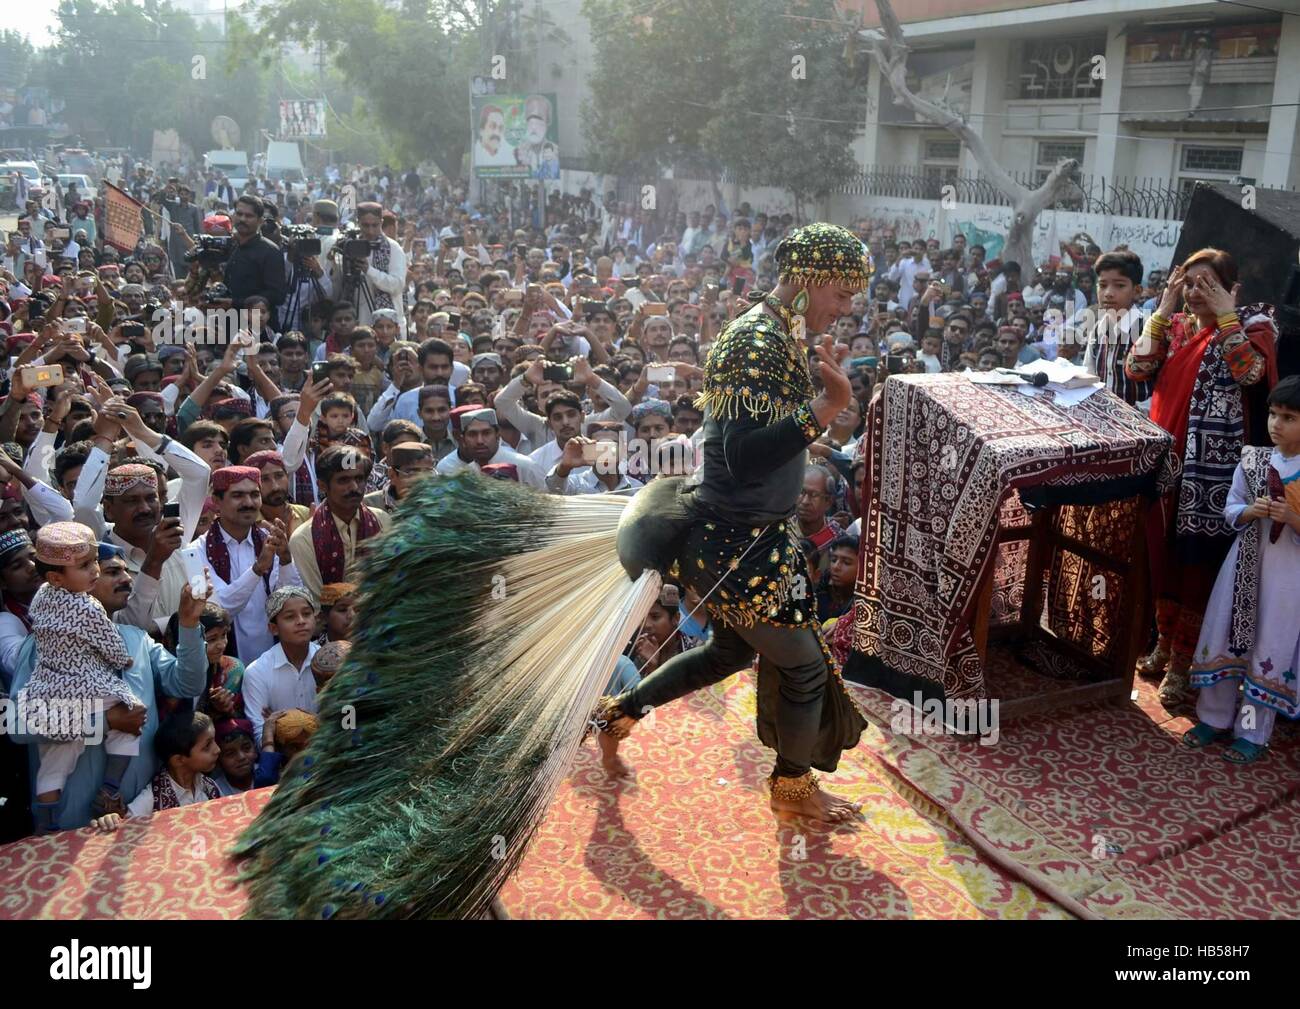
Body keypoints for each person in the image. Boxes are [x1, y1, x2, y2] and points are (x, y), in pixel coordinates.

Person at [593, 223, 869, 824]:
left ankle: (617, 715)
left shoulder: (784, 331)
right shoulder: (755, 343)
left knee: (726, 654)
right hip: (735, 543)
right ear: (808, 279)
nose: (847, 308)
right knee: (802, 665)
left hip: (758, 536)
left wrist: (816, 414)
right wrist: (824, 409)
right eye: (841, 294)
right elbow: (744, 458)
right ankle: (792, 792)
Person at [1125, 248, 1278, 705]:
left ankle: (1185, 662)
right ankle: (1163, 643)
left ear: (1231, 288)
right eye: (1188, 283)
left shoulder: (1256, 326)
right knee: (1163, 548)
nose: (1195, 293)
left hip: (1212, 468)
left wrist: (1227, 316)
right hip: (1165, 454)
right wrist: (1165, 309)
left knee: (1196, 561)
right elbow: (1136, 370)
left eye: (1206, 283)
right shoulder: (1177, 328)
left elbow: (1249, 373)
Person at [1181, 376, 1300, 763]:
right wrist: (1252, 510)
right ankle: (1213, 718)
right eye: (1272, 413)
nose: (1276, 424)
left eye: (1289, 417)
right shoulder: (1252, 460)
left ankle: (1251, 731)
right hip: (1242, 568)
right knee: (1226, 635)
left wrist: (1294, 517)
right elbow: (1231, 508)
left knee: (1270, 646)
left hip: (1287, 578)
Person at [17, 522, 143, 830]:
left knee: (54, 766)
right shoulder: (87, 606)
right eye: (84, 566)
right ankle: (110, 789)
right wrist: (123, 660)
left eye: (93, 562)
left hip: (47, 690)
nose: (95, 571)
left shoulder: (42, 596)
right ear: (55, 576)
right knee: (130, 719)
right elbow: (112, 646)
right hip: (86, 686)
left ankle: (47, 828)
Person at [90, 710, 222, 832]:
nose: (217, 750)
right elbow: (124, 830)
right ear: (178, 760)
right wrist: (110, 821)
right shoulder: (151, 799)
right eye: (207, 746)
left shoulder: (209, 787)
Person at [287, 445, 393, 597]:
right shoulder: (304, 540)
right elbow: (317, 605)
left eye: (359, 478)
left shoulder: (382, 522)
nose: (354, 487)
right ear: (322, 485)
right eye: (343, 480)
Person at [240, 586, 322, 743]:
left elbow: (347, 717)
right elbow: (259, 734)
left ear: (315, 619)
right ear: (273, 628)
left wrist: (283, 727)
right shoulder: (257, 672)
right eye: (290, 617)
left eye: (306, 614)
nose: (301, 621)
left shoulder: (330, 663)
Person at [224, 194, 287, 313]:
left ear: (260, 221)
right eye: (239, 214)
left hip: (256, 325)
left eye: (249, 216)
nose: (242, 219)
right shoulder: (231, 246)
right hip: (227, 322)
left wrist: (235, 302)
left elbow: (277, 295)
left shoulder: (270, 251)